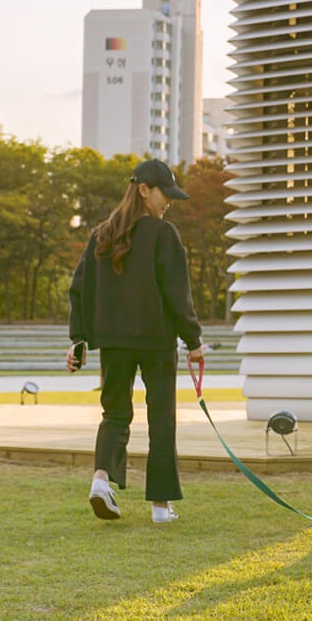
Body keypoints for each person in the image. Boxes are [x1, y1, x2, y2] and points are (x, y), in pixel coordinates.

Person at [67, 159, 207, 523]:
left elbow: (79, 289)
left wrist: (79, 340)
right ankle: (161, 507)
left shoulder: (101, 235)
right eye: (165, 194)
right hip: (157, 340)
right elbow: (177, 294)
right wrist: (194, 340)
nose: (169, 203)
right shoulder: (164, 235)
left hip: (114, 342)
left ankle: (100, 481)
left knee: (114, 413)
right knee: (162, 419)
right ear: (144, 190)